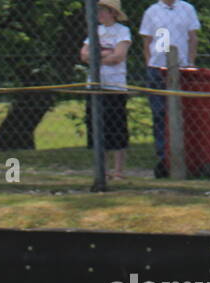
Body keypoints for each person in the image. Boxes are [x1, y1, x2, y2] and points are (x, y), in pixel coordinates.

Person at [139, 0, 202, 177]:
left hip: (182, 66)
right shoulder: (152, 11)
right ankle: (163, 156)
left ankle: (186, 155)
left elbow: (192, 37)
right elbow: (147, 41)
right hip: (158, 66)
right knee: (159, 113)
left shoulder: (187, 9)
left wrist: (190, 62)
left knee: (185, 112)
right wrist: (150, 64)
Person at [81, 0, 132, 181]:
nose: (100, 14)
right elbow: (84, 54)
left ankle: (118, 170)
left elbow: (118, 56)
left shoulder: (122, 31)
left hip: (114, 85)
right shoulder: (95, 32)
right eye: (98, 11)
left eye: (103, 11)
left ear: (112, 13)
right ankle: (102, 169)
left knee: (116, 127)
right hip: (95, 84)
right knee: (97, 127)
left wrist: (97, 57)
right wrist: (103, 55)